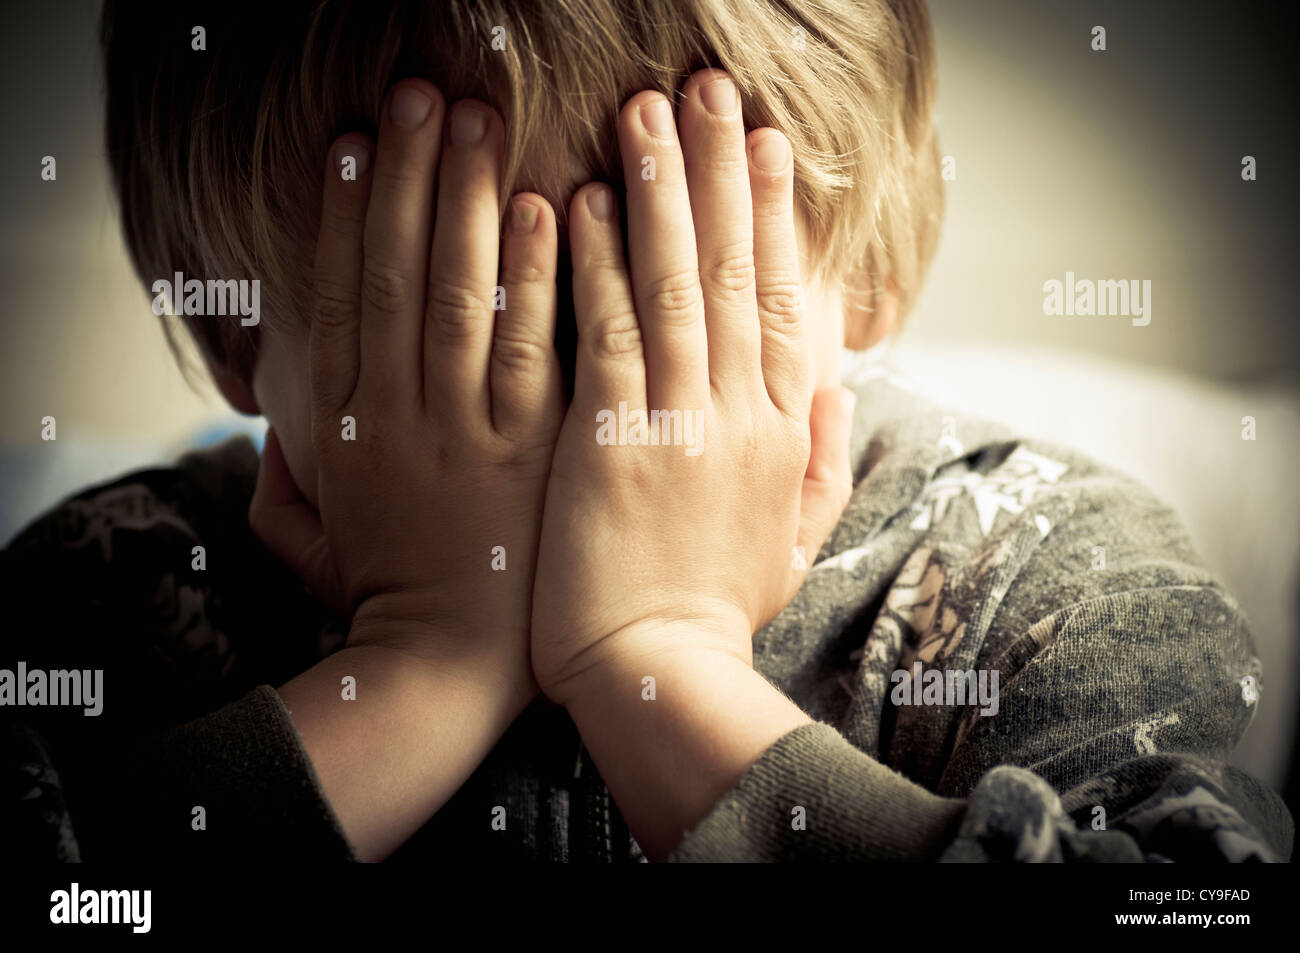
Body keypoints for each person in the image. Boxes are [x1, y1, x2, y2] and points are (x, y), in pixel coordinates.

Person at [1, 0, 1290, 862]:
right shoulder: (119, 589)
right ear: (237, 336)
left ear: (873, 275)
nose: (589, 436)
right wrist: (422, 663)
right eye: (464, 328)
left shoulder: (1049, 580)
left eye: (671, 311)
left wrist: (665, 666)